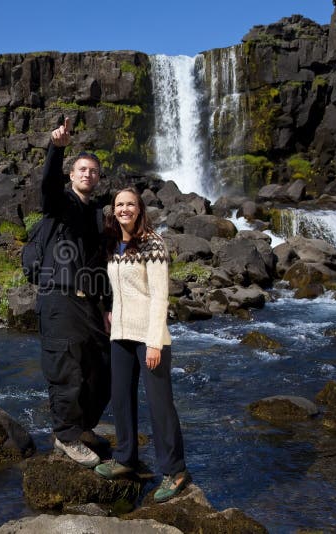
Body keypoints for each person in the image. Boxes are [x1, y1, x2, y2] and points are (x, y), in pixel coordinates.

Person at [93, 187, 191, 503]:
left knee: (160, 405)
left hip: (150, 337)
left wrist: (154, 343)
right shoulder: (112, 243)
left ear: (139, 209)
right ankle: (125, 459)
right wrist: (109, 311)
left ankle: (175, 472)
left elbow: (160, 296)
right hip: (120, 334)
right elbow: (117, 287)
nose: (124, 209)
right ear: (113, 210)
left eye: (130, 204)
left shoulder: (153, 243)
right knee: (120, 398)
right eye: (119, 204)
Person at [37, 118, 111, 468]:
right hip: (58, 295)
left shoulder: (97, 213)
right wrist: (57, 148)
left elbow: (102, 261)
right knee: (66, 367)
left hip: (91, 300)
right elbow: (47, 186)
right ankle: (65, 435)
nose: (88, 174)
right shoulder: (60, 203)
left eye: (93, 171)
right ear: (72, 174)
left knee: (100, 368)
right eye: (82, 169)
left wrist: (108, 304)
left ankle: (82, 427)